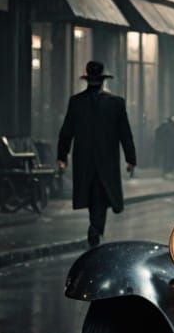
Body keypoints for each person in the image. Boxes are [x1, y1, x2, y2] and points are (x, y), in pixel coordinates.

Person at [57, 61, 137, 247]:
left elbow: (66, 131)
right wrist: (130, 159)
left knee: (93, 195)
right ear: (102, 81)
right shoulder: (116, 103)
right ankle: (96, 228)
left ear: (88, 80)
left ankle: (96, 228)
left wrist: (62, 156)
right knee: (101, 195)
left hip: (84, 160)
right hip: (107, 159)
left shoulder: (76, 102)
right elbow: (125, 133)